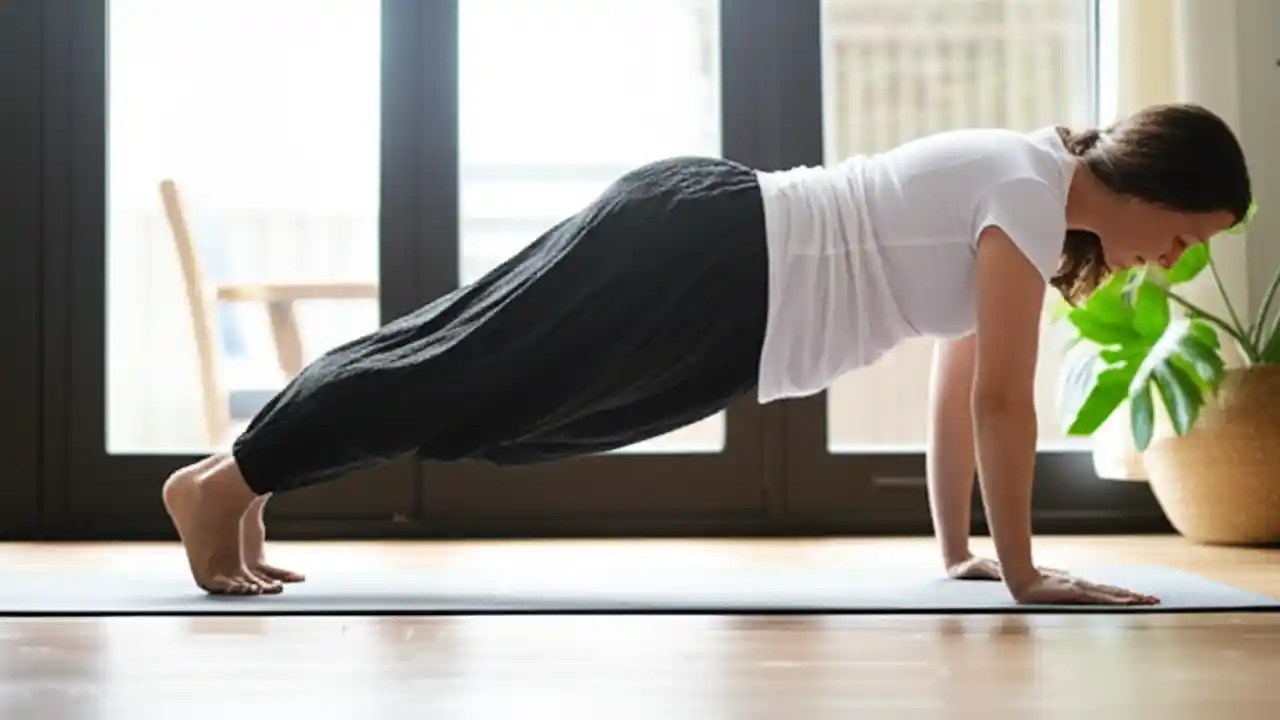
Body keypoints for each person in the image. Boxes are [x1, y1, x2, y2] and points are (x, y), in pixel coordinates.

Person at [163, 102, 1252, 603]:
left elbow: (957, 383)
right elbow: (1002, 406)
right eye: (1185, 237)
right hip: (715, 268)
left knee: (460, 359)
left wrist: (960, 554)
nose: (1171, 260)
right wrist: (1023, 576)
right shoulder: (1027, 193)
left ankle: (241, 478)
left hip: (710, 253)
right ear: (1158, 188)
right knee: (470, 377)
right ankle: (229, 483)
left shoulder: (1028, 186)